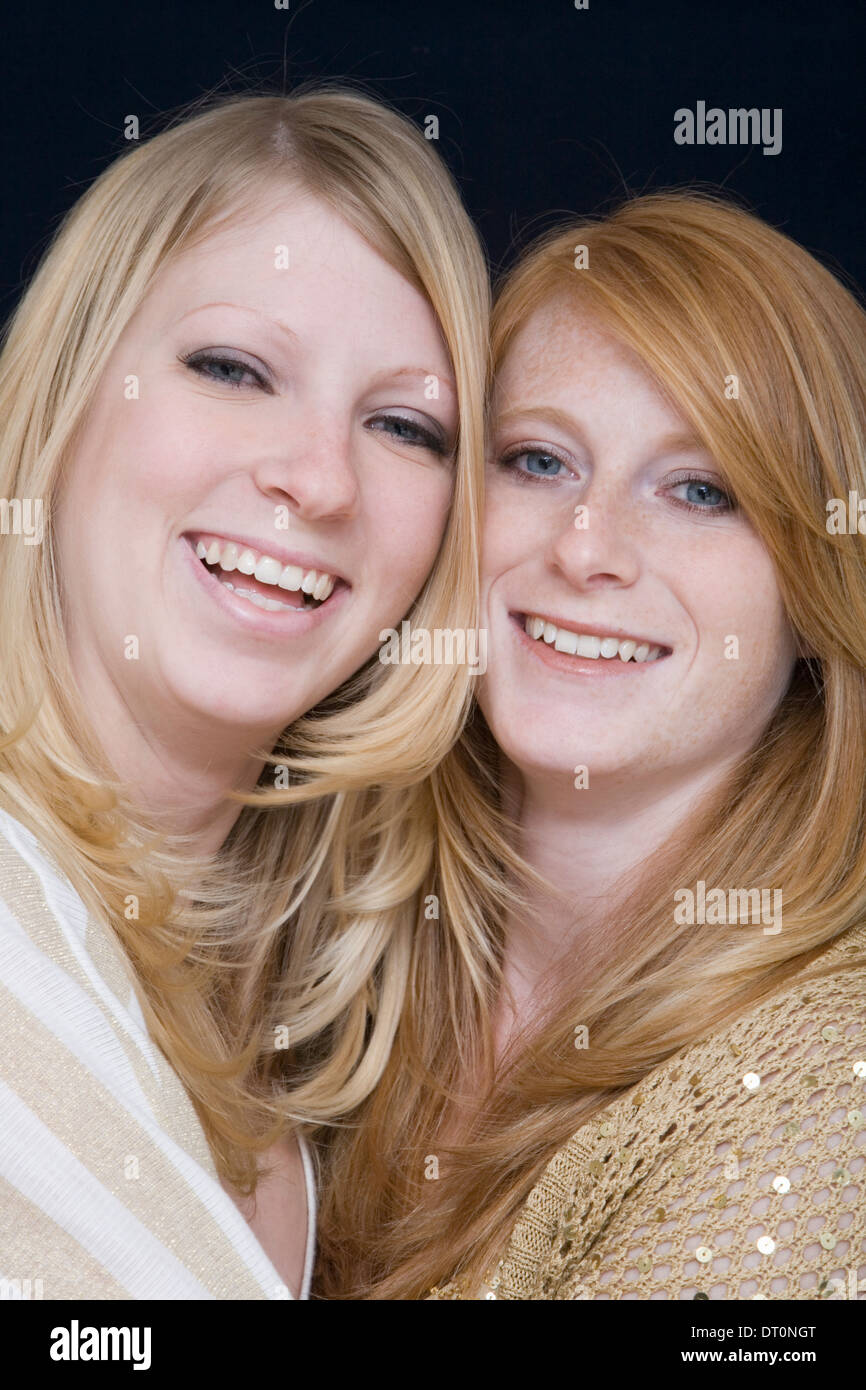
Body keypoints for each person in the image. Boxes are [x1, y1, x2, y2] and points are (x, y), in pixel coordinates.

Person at [313, 191, 866, 1301]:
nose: (585, 548)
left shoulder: (824, 1089)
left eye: (699, 490)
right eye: (538, 461)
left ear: (815, 590)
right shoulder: (327, 939)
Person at [0, 85, 488, 1299]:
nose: (317, 479)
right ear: (66, 388)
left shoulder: (298, 1059)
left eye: (403, 427)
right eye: (231, 366)